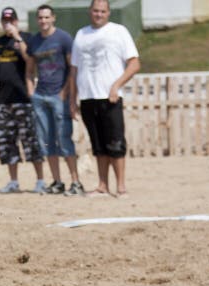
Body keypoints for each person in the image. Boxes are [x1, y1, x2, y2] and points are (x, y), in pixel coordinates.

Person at [69, 0, 140, 197]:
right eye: (95, 11)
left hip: (110, 98)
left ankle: (121, 187)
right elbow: (74, 70)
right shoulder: (81, 34)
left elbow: (134, 64)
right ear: (89, 11)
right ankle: (102, 185)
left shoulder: (119, 31)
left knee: (116, 143)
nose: (98, 14)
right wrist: (72, 100)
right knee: (98, 144)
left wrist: (116, 86)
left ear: (108, 13)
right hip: (88, 97)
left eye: (102, 11)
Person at [0, 7, 46, 194]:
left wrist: (18, 38)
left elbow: (30, 61)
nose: (8, 24)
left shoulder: (27, 38)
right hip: (2, 100)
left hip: (23, 98)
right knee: (7, 143)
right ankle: (13, 181)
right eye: (5, 21)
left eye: (11, 21)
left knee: (31, 141)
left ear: (17, 22)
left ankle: (40, 180)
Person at [26, 4, 83, 196]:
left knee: (64, 139)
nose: (43, 21)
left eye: (46, 17)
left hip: (59, 96)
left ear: (53, 18)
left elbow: (72, 68)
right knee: (47, 142)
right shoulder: (34, 41)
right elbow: (29, 70)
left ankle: (76, 182)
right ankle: (57, 182)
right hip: (40, 97)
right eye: (40, 18)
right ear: (37, 20)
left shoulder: (64, 38)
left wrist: (65, 92)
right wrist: (31, 92)